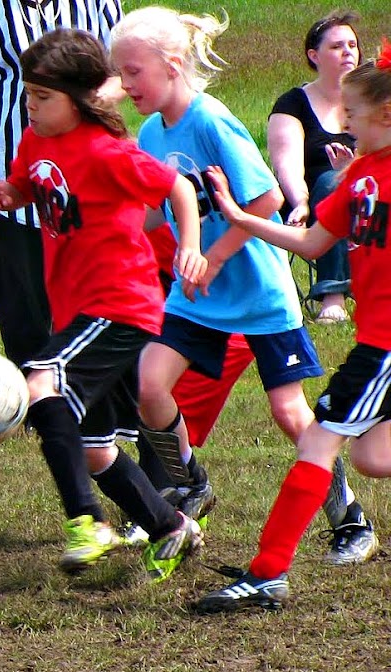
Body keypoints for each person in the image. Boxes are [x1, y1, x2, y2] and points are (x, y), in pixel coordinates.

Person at [113, 6, 378, 565]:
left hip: (257, 293)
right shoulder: (151, 132)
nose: (125, 84)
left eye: (133, 72)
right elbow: (159, 212)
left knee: (290, 414)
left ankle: (349, 518)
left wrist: (210, 257)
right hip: (200, 294)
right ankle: (191, 484)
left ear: (173, 65)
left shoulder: (210, 120)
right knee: (151, 385)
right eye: (120, 72)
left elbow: (267, 200)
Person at [0, 28, 204, 580]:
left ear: (80, 100)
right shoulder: (38, 141)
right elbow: (33, 185)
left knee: (39, 382)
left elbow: (178, 189)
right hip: (76, 308)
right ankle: (169, 525)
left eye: (43, 97)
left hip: (121, 303)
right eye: (27, 93)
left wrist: (190, 247)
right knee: (95, 449)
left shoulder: (108, 153)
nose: (30, 105)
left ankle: (86, 520)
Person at [196, 52, 391, 612]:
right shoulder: (359, 177)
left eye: (353, 112)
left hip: (384, 348)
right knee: (373, 457)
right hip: (373, 341)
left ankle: (267, 573)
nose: (344, 123)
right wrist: (239, 217)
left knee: (318, 439)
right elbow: (309, 243)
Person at [0, 0, 122, 366]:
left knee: (87, 307)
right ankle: (38, 409)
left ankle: (82, 401)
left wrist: (90, 101)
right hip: (13, 185)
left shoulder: (98, 4)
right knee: (24, 318)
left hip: (86, 185)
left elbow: (121, 72)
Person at [269, 12, 360, 324]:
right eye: (337, 46)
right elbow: (287, 163)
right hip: (310, 196)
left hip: (371, 192)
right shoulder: (293, 103)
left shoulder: (372, 101)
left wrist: (356, 169)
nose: (348, 51)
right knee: (331, 181)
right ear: (314, 55)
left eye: (352, 44)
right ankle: (333, 296)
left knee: (341, 180)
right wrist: (301, 202)